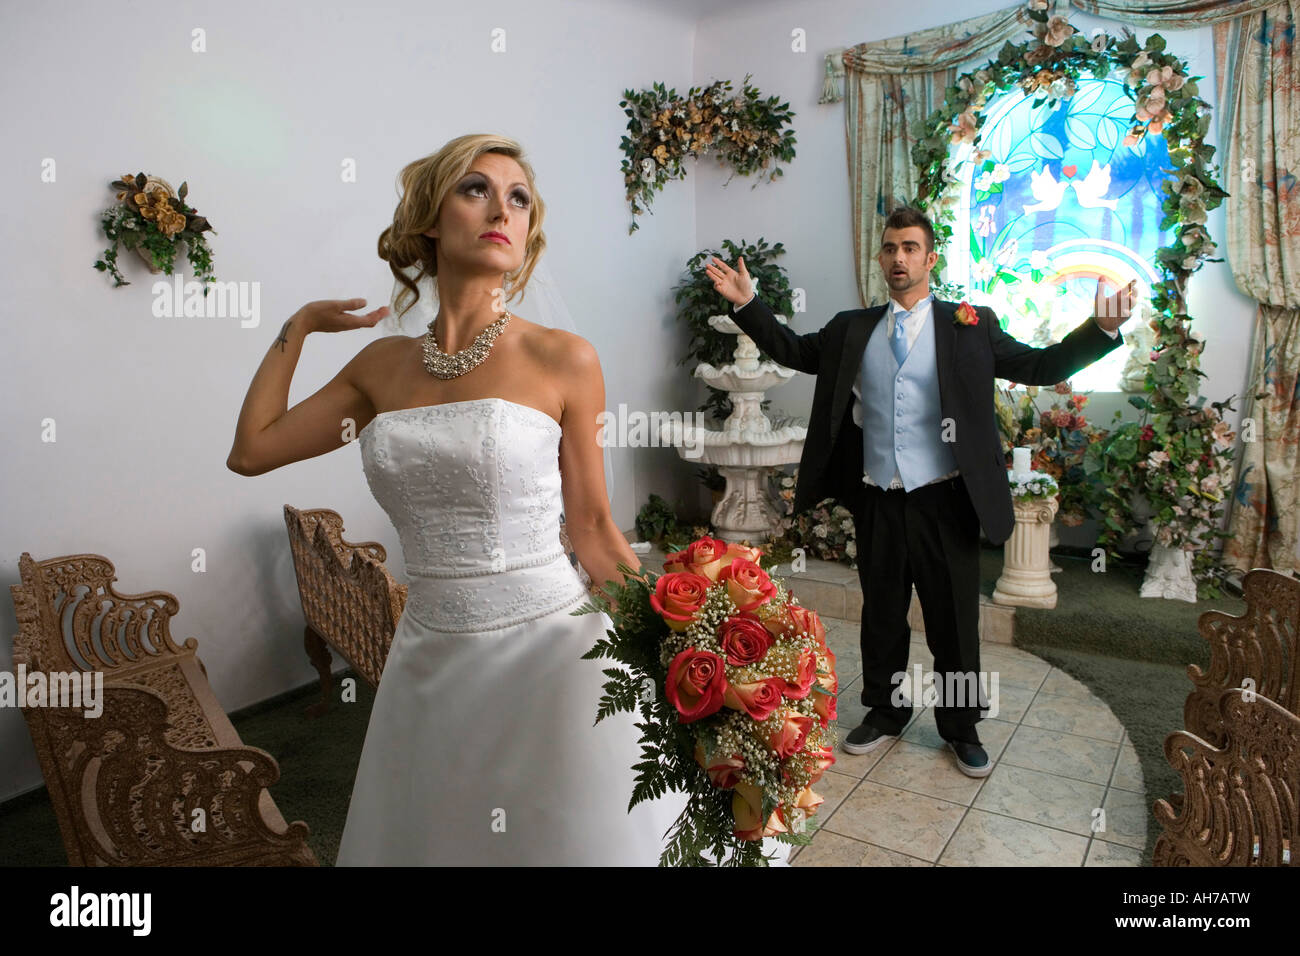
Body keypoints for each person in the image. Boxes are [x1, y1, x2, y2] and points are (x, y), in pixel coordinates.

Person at [226, 133, 687, 864]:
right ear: (431, 221)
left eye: (519, 198)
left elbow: (595, 530)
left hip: (553, 647)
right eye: (476, 189)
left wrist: (682, 644)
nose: (501, 208)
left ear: (529, 231)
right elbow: (252, 451)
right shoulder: (380, 368)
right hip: (429, 655)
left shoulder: (564, 358)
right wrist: (302, 326)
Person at [705, 206, 1133, 778]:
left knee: (953, 619)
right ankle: (885, 711)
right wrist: (747, 303)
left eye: (910, 247)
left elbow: (1039, 364)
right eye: (889, 248)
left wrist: (1101, 328)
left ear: (930, 259)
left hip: (944, 498)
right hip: (879, 495)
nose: (899, 257)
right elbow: (791, 350)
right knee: (881, 612)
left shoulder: (971, 325)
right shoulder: (850, 328)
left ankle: (960, 728)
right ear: (881, 259)